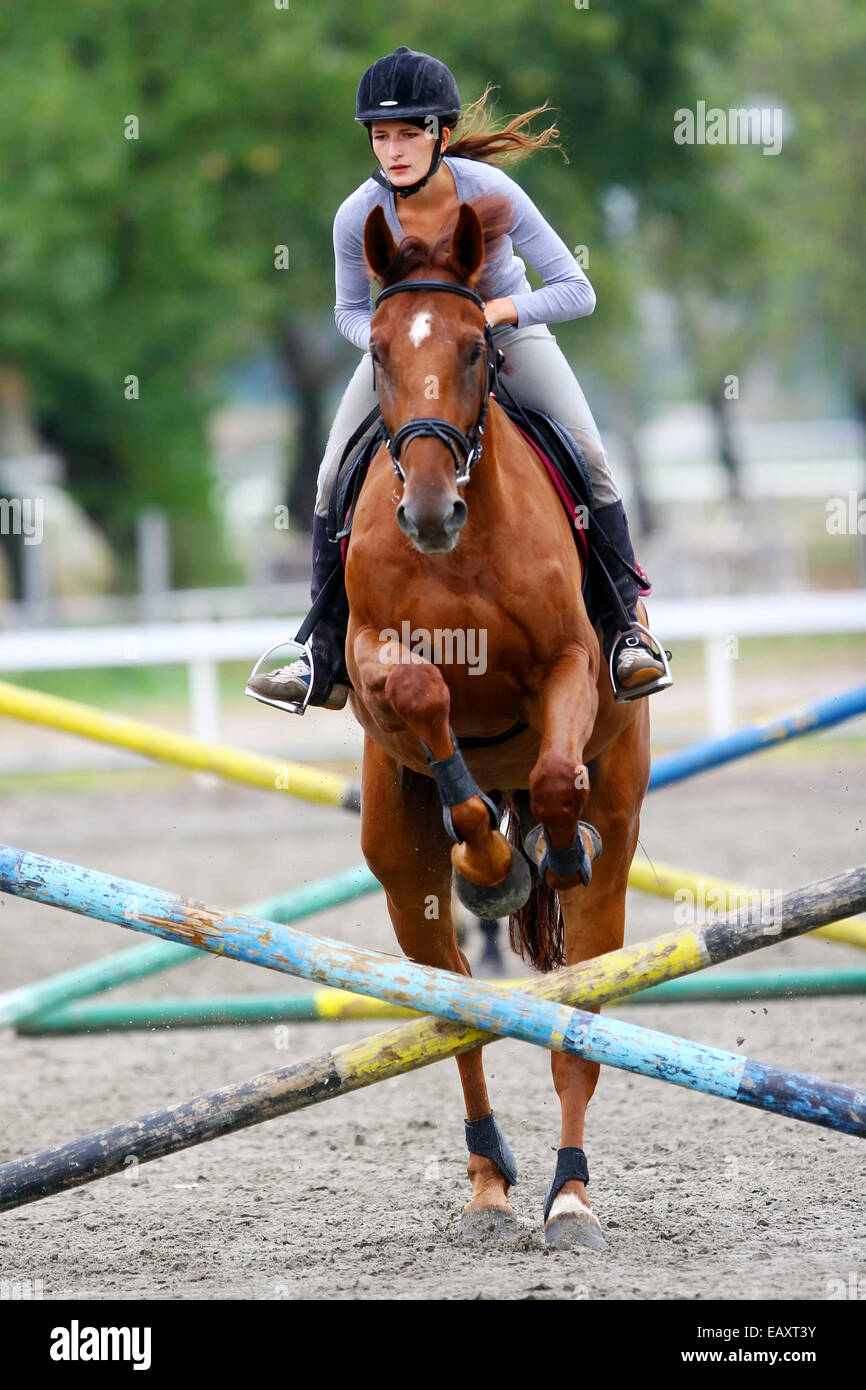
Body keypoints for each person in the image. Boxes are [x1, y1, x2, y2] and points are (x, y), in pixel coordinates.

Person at [247, 45, 671, 712]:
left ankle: (625, 633)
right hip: (408, 351)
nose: (392, 150)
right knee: (332, 473)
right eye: (380, 136)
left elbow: (576, 289)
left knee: (590, 457)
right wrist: (393, 346)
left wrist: (494, 311)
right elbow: (348, 311)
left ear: (441, 134)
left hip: (507, 334)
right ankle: (319, 651)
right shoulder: (357, 214)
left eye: (408, 134)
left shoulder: (491, 191)